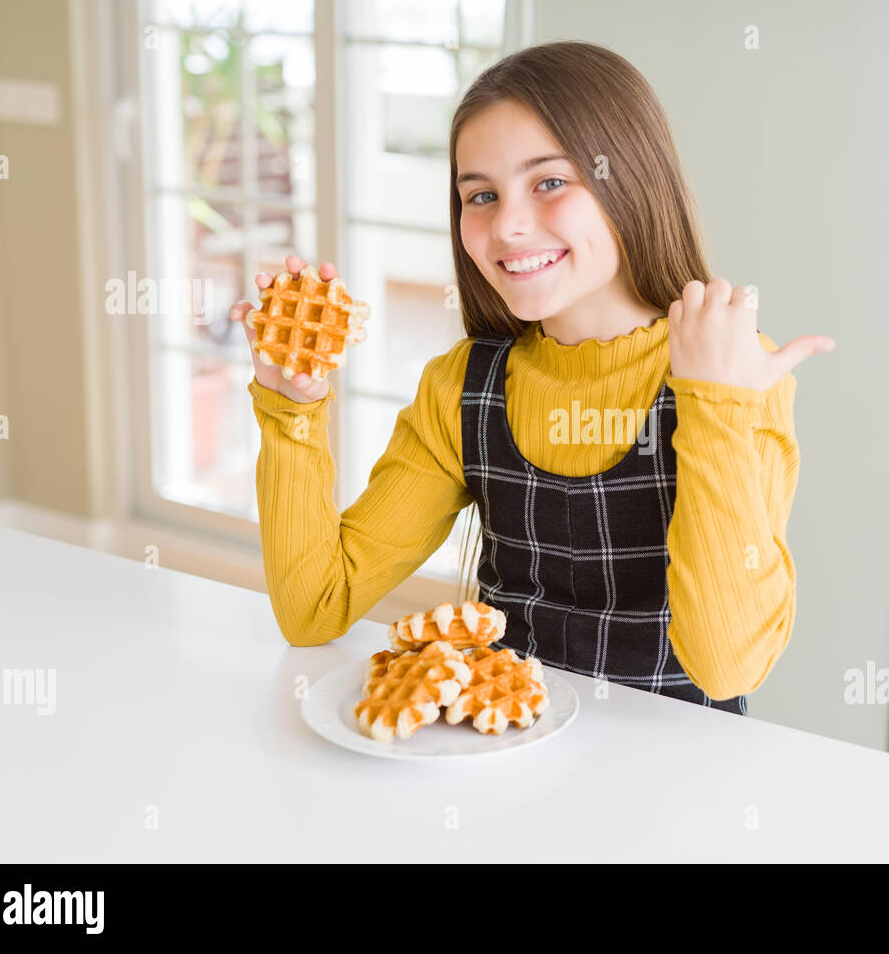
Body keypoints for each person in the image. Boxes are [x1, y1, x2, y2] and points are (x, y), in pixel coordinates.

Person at [231, 40, 834, 715]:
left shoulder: (733, 371)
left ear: (630, 177)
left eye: (549, 182)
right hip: (503, 771)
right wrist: (291, 410)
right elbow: (314, 606)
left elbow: (726, 666)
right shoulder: (462, 387)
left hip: (675, 789)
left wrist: (718, 405)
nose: (508, 226)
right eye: (480, 195)